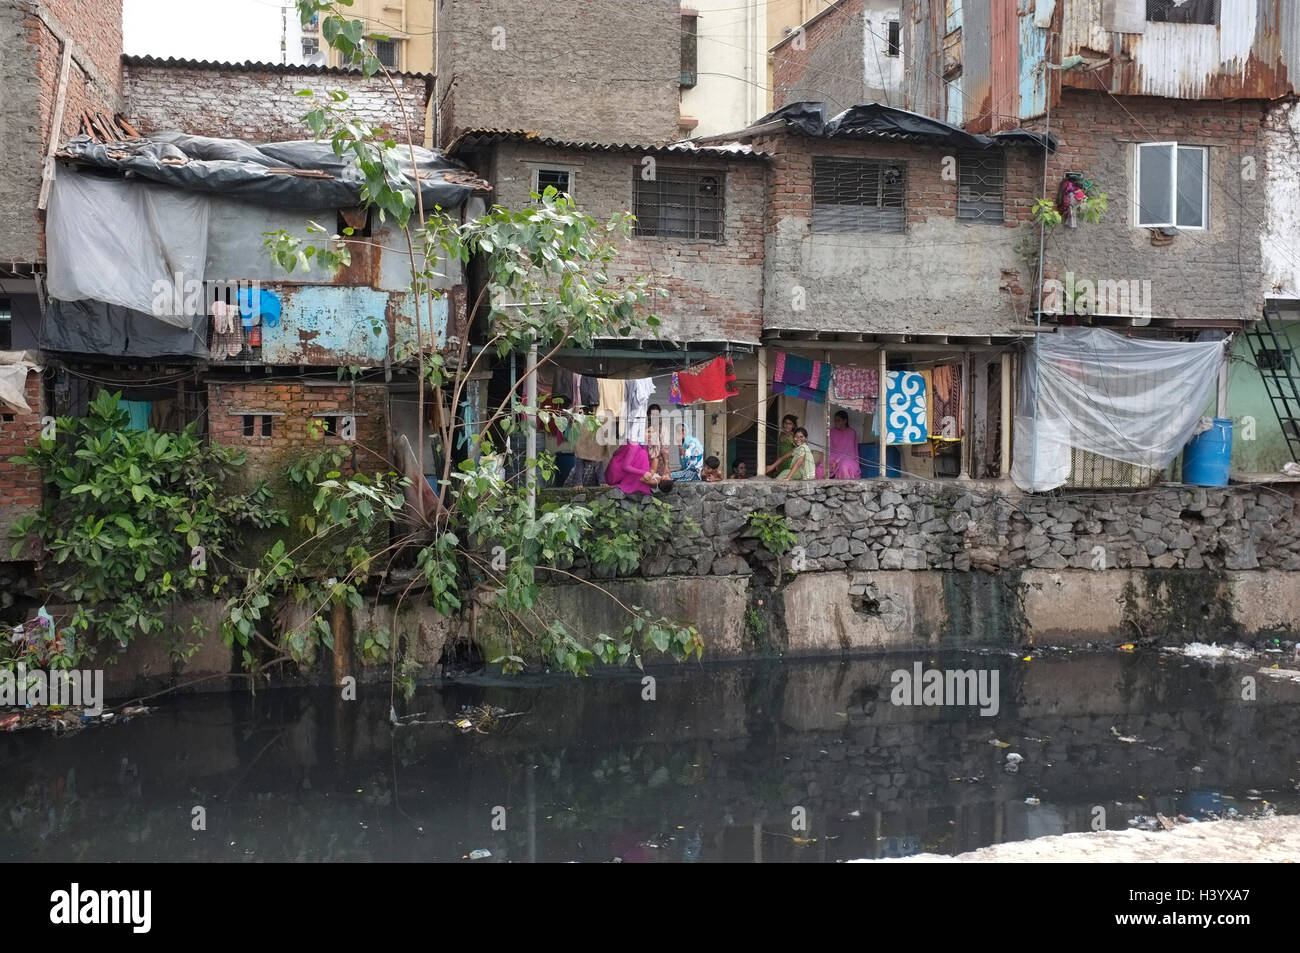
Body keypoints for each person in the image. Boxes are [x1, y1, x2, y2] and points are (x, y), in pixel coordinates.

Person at [818, 410, 863, 479]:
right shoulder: (832, 431)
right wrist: (834, 461)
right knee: (820, 469)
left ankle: (844, 488)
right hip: (833, 458)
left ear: (845, 421)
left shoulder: (851, 432)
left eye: (838, 420)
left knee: (844, 467)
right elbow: (830, 449)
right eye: (835, 420)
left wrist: (837, 461)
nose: (836, 422)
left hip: (848, 458)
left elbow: (848, 451)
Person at [645, 404, 671, 480]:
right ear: (648, 415)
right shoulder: (645, 428)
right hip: (646, 462)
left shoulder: (663, 429)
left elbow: (664, 449)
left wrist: (666, 466)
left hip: (659, 461)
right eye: (652, 414)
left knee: (659, 481)